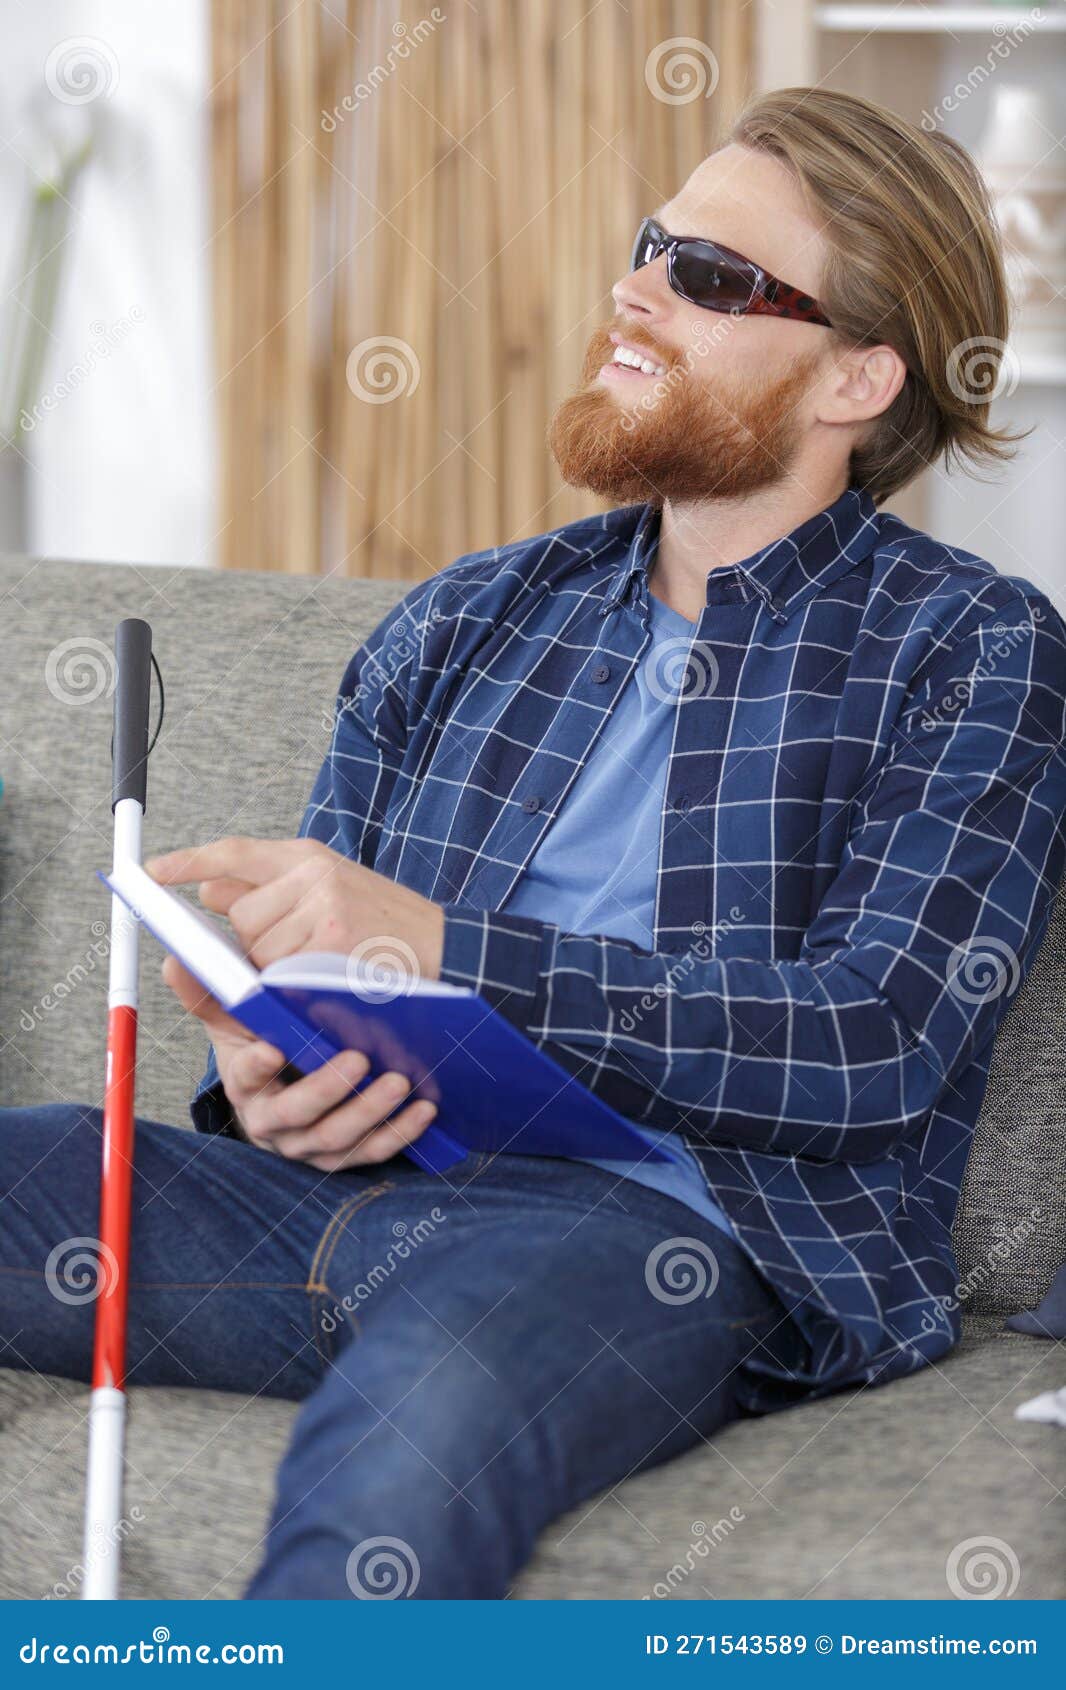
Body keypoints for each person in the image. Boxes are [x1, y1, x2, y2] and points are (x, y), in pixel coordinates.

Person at [3, 87, 1064, 1600]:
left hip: (667, 1239)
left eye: (711, 277)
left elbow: (875, 1041)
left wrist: (445, 952)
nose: (634, 292)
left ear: (856, 376)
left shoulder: (972, 650)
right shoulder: (468, 616)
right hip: (345, 1197)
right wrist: (269, 1075)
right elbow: (320, 962)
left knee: (410, 1435)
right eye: (651, 246)